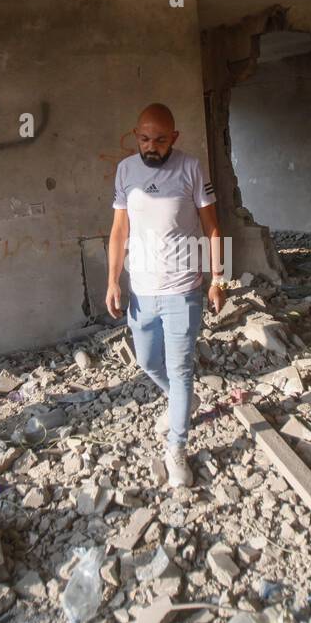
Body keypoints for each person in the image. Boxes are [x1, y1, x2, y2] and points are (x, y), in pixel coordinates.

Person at [105, 103, 226, 487]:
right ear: (135, 135)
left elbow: (212, 228)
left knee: (180, 369)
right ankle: (181, 402)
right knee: (146, 362)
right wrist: (112, 281)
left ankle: (177, 446)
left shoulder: (191, 168)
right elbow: (119, 232)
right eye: (144, 139)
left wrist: (217, 278)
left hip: (183, 291)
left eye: (160, 139)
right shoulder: (125, 171)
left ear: (174, 137)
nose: (151, 147)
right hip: (141, 290)